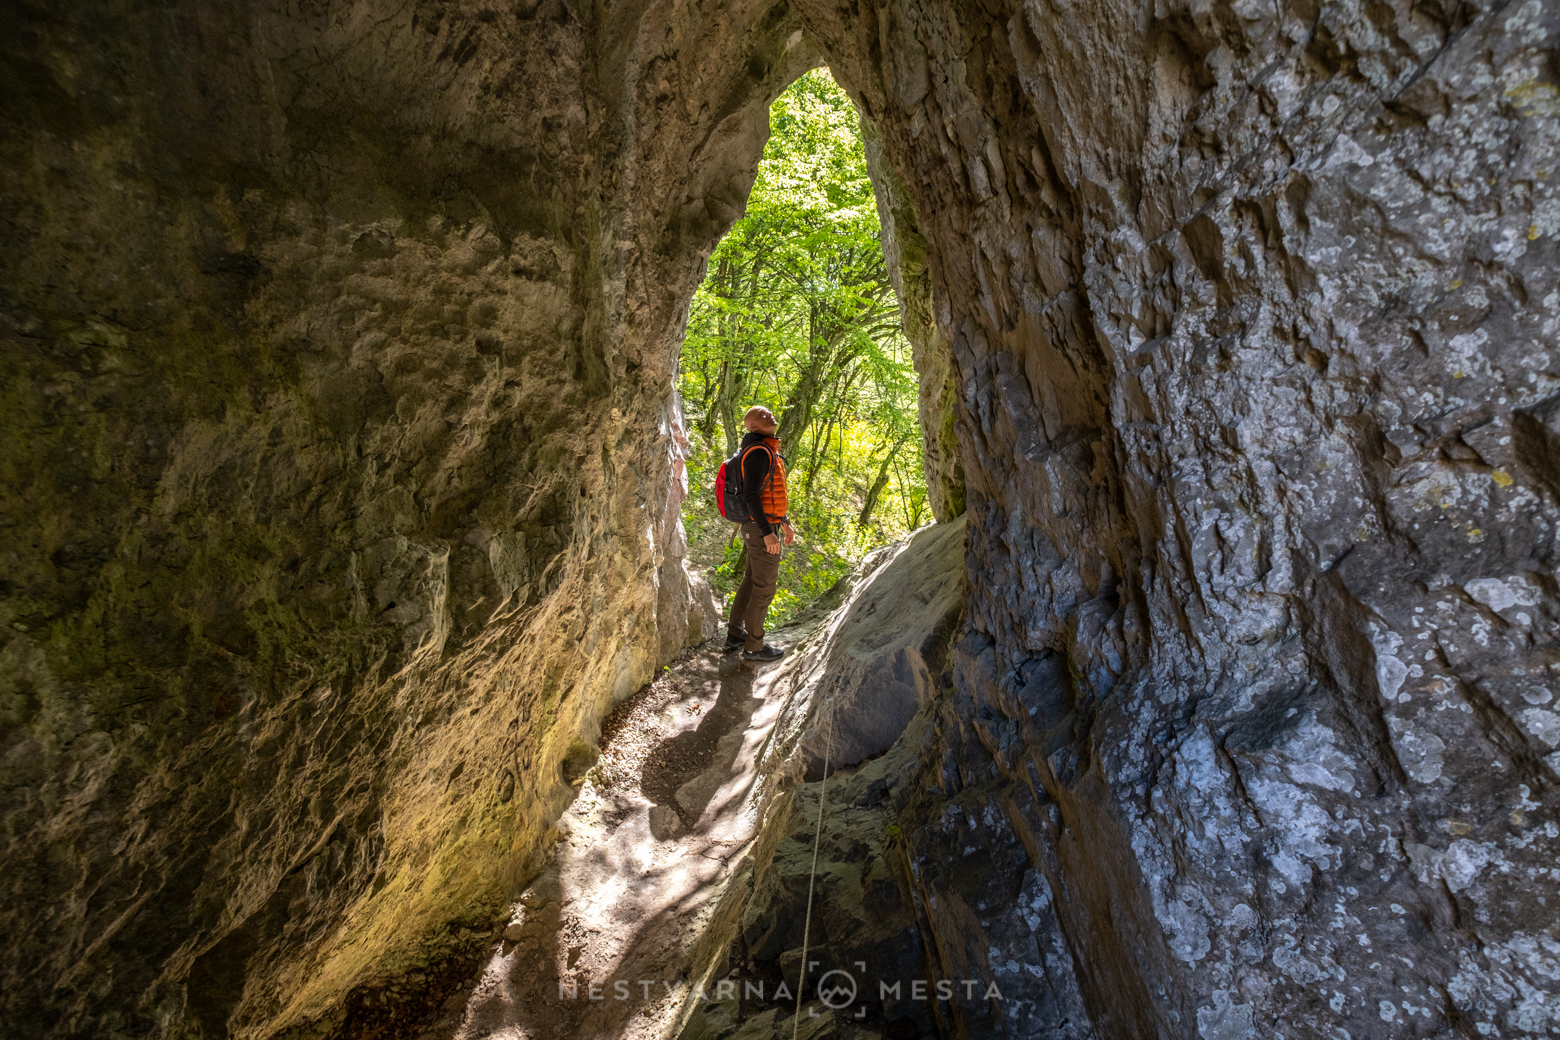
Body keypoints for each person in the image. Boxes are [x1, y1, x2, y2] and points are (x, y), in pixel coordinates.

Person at [725, 405, 796, 662]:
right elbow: (751, 496)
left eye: (770, 413)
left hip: (761, 524)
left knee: (750, 580)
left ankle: (735, 635)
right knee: (764, 587)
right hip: (760, 528)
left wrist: (783, 521)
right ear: (753, 427)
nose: (771, 415)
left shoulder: (762, 449)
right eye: (763, 415)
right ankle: (754, 646)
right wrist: (768, 533)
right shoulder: (759, 453)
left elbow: (768, 494)